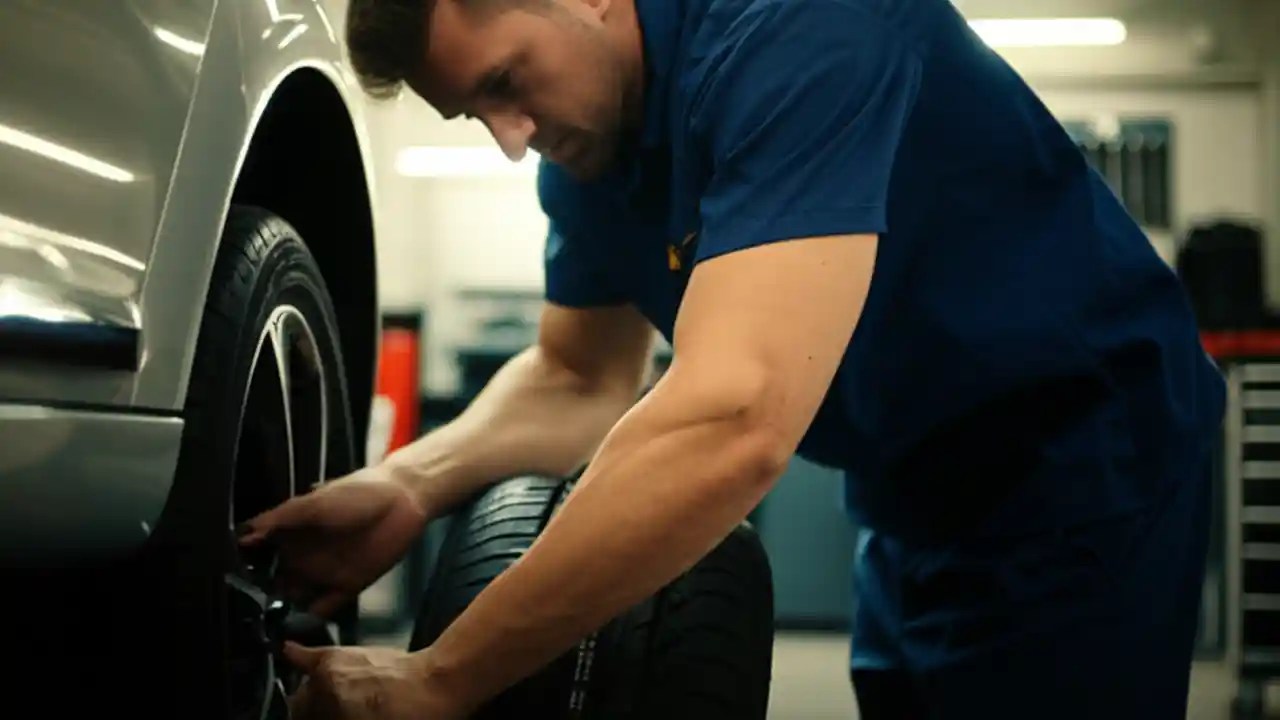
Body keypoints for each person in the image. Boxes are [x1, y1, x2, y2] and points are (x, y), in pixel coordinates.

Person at [239, 0, 1228, 716]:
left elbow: (736, 420)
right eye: (473, 113)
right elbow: (579, 378)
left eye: (504, 83)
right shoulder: (589, 153)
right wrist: (410, 483)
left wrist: (443, 679)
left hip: (1079, 452)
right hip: (910, 488)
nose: (510, 139)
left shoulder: (800, 29)